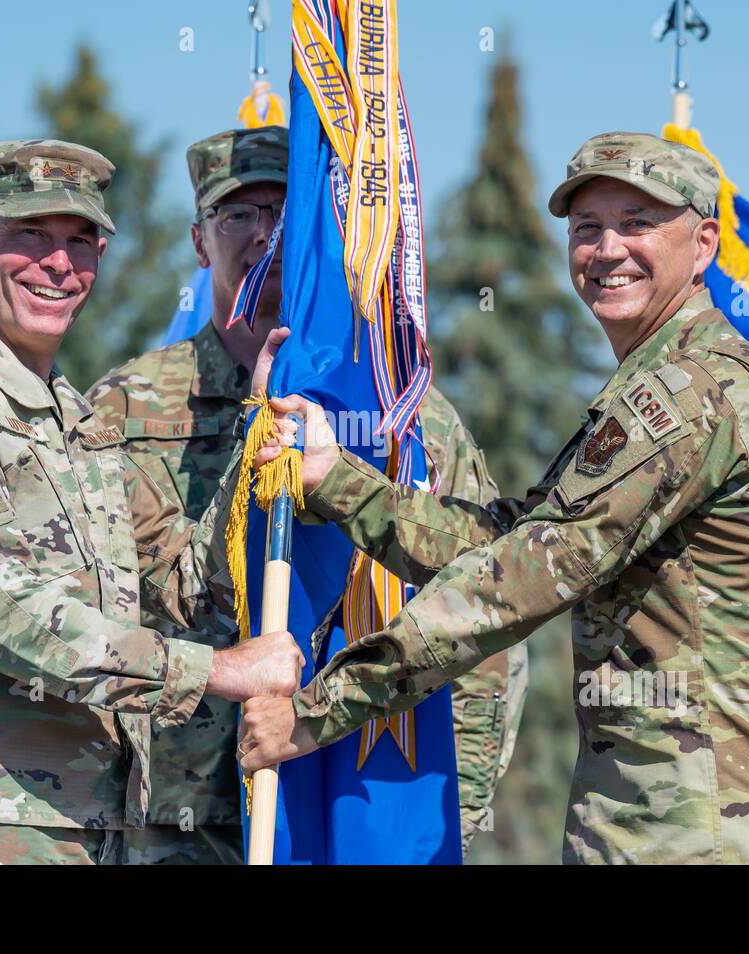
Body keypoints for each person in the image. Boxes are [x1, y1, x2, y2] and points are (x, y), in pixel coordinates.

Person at [240, 132, 749, 864]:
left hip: (711, 828)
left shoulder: (689, 396)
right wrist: (332, 480)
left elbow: (520, 581)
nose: (607, 249)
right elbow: (513, 544)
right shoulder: (660, 383)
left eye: (638, 222)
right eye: (587, 228)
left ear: (704, 244)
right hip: (671, 818)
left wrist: (316, 713)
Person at [0, 139, 302, 865]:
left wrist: (256, 444)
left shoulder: (86, 430)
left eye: (80, 242)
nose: (58, 264)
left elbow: (184, 588)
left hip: (101, 832)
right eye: (30, 234)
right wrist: (214, 672)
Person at [86, 127, 528, 861]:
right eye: (239, 215)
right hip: (181, 820)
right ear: (200, 241)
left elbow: (477, 616)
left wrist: (455, 802)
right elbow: (117, 615)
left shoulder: (404, 418)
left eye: (289, 213)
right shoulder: (127, 409)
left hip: (355, 811)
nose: (267, 237)